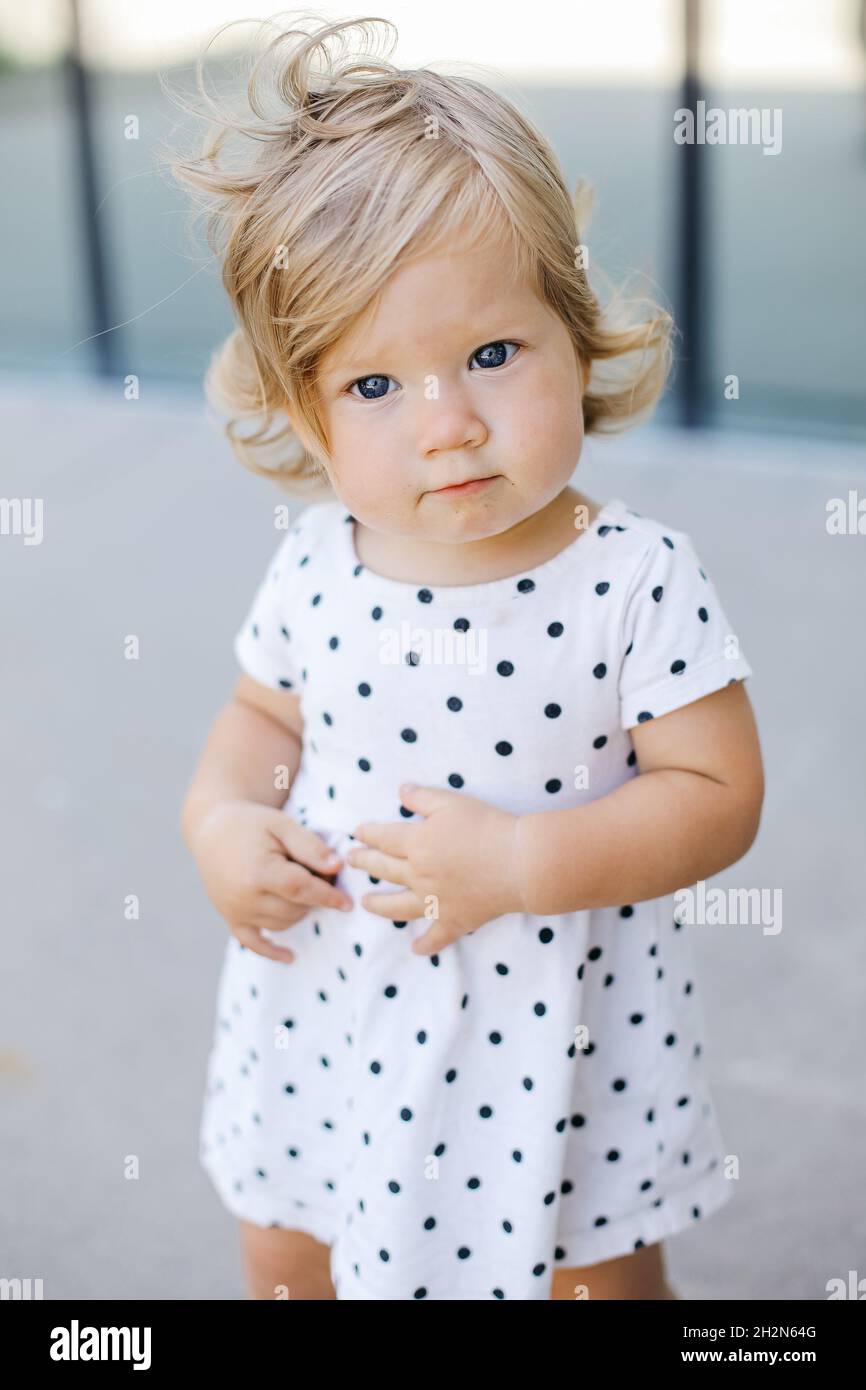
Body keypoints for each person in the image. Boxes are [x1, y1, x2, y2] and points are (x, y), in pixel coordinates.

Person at [176, 13, 764, 1301]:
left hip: (557, 1030)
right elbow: (260, 717)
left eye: (492, 355)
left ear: (575, 331)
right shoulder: (318, 562)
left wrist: (517, 861)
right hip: (335, 1011)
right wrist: (221, 820)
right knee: (290, 1245)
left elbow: (721, 798)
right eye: (376, 386)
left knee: (593, 1270)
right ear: (300, 410)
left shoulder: (632, 578)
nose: (449, 423)